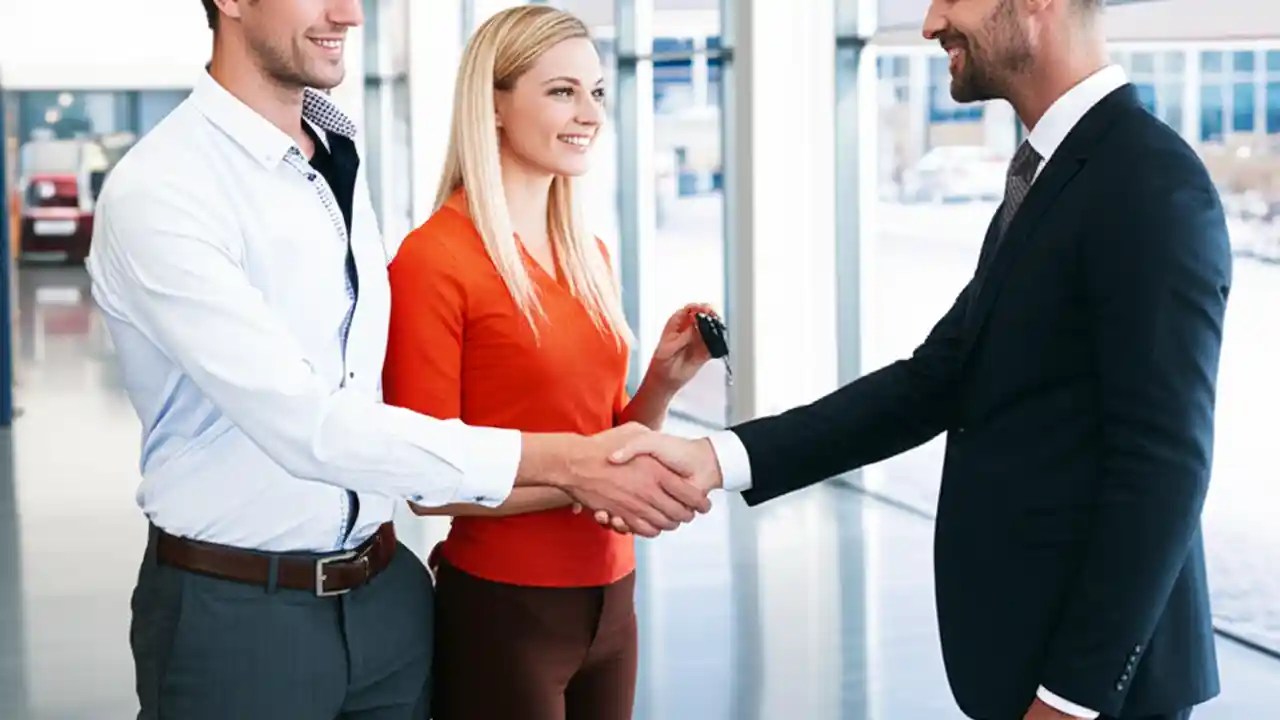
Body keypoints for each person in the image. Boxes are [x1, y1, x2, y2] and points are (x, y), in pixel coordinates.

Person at [86, 1, 708, 718]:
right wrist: (574, 467)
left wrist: (636, 410)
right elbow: (310, 424)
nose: (348, 13)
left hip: (385, 597)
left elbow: (362, 391)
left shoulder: (333, 164)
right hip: (242, 612)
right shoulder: (165, 189)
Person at [610, 1, 1230, 719]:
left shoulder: (1149, 183)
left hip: (1094, 693)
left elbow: (1165, 464)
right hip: (1029, 658)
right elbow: (938, 376)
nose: (932, 21)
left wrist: (1070, 701)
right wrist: (718, 458)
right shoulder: (1058, 169)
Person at [379, 7, 717, 718]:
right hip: (507, 609)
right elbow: (425, 483)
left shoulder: (586, 254)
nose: (589, 112)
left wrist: (660, 381)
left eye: (597, 92)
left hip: (614, 600)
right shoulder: (433, 260)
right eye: (563, 91)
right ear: (494, 105)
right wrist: (589, 481)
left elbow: (606, 438)